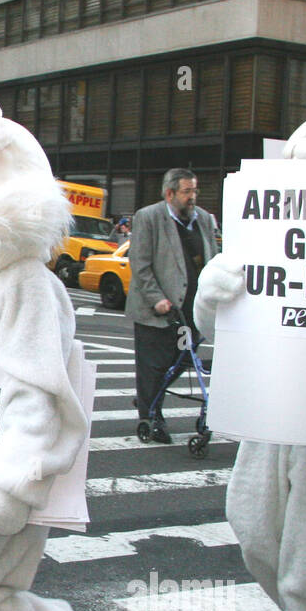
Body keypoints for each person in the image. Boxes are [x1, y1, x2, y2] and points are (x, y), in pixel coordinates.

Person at [124, 168, 219, 443]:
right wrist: (158, 299)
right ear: (169, 193)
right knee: (153, 365)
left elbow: (212, 256)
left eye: (195, 190)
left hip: (191, 311)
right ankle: (151, 416)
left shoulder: (203, 218)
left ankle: (147, 397)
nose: (193, 197)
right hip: (158, 311)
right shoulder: (149, 217)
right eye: (187, 191)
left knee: (183, 361)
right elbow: (140, 265)